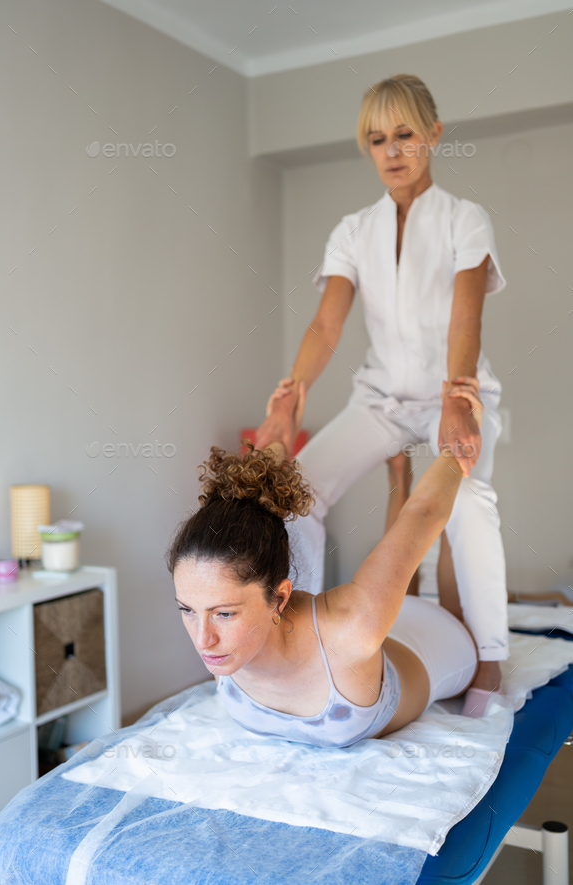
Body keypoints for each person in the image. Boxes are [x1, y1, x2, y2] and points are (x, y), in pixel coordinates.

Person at [254, 74, 508, 711]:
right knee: (297, 495)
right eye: (377, 139)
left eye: (404, 135)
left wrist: (458, 396)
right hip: (381, 399)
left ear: (432, 135)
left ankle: (490, 662)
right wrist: (291, 395)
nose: (392, 150)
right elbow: (327, 323)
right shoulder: (353, 230)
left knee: (468, 503)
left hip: (455, 391)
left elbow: (465, 319)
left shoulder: (465, 220)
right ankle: (306, 631)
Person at [166, 380, 493, 750]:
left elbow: (423, 515)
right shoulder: (222, 639)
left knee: (438, 559)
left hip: (436, 640)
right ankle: (398, 473)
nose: (202, 639)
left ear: (280, 596)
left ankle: (403, 475)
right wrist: (279, 425)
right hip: (370, 642)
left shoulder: (353, 627)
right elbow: (256, 497)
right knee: (387, 585)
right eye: (187, 610)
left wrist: (457, 445)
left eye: (224, 614)